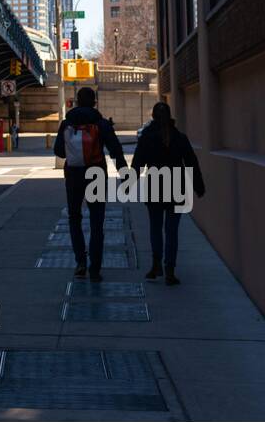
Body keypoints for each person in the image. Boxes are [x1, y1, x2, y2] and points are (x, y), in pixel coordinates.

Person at [54, 86, 127, 282]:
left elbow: (59, 151)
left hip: (74, 176)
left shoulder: (67, 123)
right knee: (96, 222)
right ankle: (95, 268)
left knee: (74, 218)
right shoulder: (101, 123)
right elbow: (115, 150)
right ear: (94, 102)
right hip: (96, 174)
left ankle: (80, 263)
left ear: (77, 101)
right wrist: (125, 174)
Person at [132, 101, 205, 286]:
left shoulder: (147, 137)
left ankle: (157, 265)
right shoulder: (180, 137)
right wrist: (199, 186)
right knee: (171, 231)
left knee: (155, 228)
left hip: (154, 187)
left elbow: (138, 163)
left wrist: (128, 183)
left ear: (153, 117)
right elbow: (191, 163)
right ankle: (170, 270)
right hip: (176, 188)